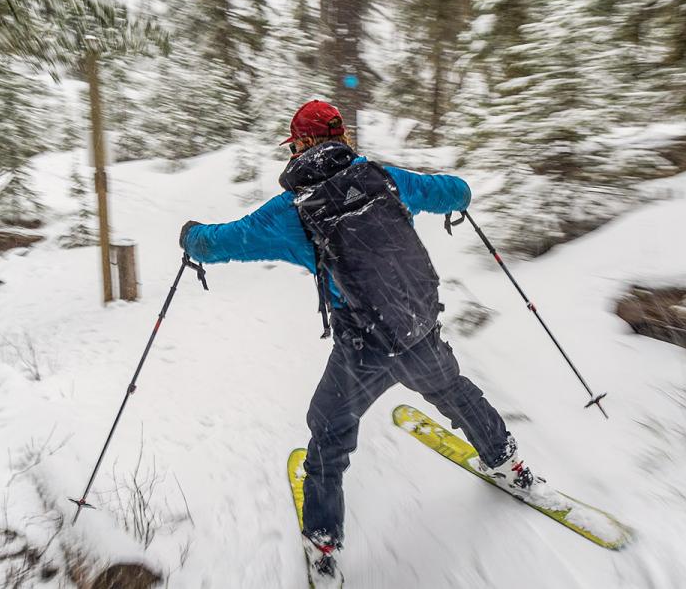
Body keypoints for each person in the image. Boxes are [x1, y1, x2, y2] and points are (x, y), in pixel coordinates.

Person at [179, 100, 546, 586]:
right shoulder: (384, 178)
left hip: (363, 349)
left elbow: (220, 243)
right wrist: (457, 198)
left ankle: (325, 546)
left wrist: (190, 237)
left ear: (302, 144)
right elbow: (456, 191)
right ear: (341, 137)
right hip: (418, 327)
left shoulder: (290, 211)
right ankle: (509, 463)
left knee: (328, 433)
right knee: (454, 391)